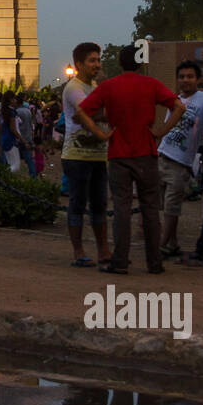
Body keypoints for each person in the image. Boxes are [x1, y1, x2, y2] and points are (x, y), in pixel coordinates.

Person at [77, 44, 184, 274]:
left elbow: (81, 113)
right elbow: (178, 106)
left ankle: (120, 261)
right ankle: (155, 262)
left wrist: (102, 133)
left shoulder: (109, 86)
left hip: (118, 153)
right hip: (146, 151)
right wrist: (161, 131)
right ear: (140, 62)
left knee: (122, 210)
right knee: (151, 210)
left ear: (120, 62)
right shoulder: (151, 84)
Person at [157, 60, 203, 258]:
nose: (185, 80)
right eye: (182, 77)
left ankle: (162, 245)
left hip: (182, 160)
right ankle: (172, 243)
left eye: (190, 76)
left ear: (198, 79)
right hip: (163, 154)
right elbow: (168, 126)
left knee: (172, 204)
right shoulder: (175, 100)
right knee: (163, 204)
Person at [61, 42, 111, 269]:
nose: (97, 65)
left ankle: (103, 250)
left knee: (100, 204)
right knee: (78, 204)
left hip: (99, 155)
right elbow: (89, 111)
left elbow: (92, 113)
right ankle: (78, 251)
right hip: (77, 155)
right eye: (92, 60)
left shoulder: (95, 86)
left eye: (98, 60)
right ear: (78, 64)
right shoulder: (73, 88)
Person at [14, 95, 37, 177]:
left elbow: (16, 127)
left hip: (20, 138)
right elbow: (31, 125)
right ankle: (33, 175)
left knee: (14, 159)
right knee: (29, 159)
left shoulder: (17, 112)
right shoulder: (28, 111)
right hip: (28, 137)